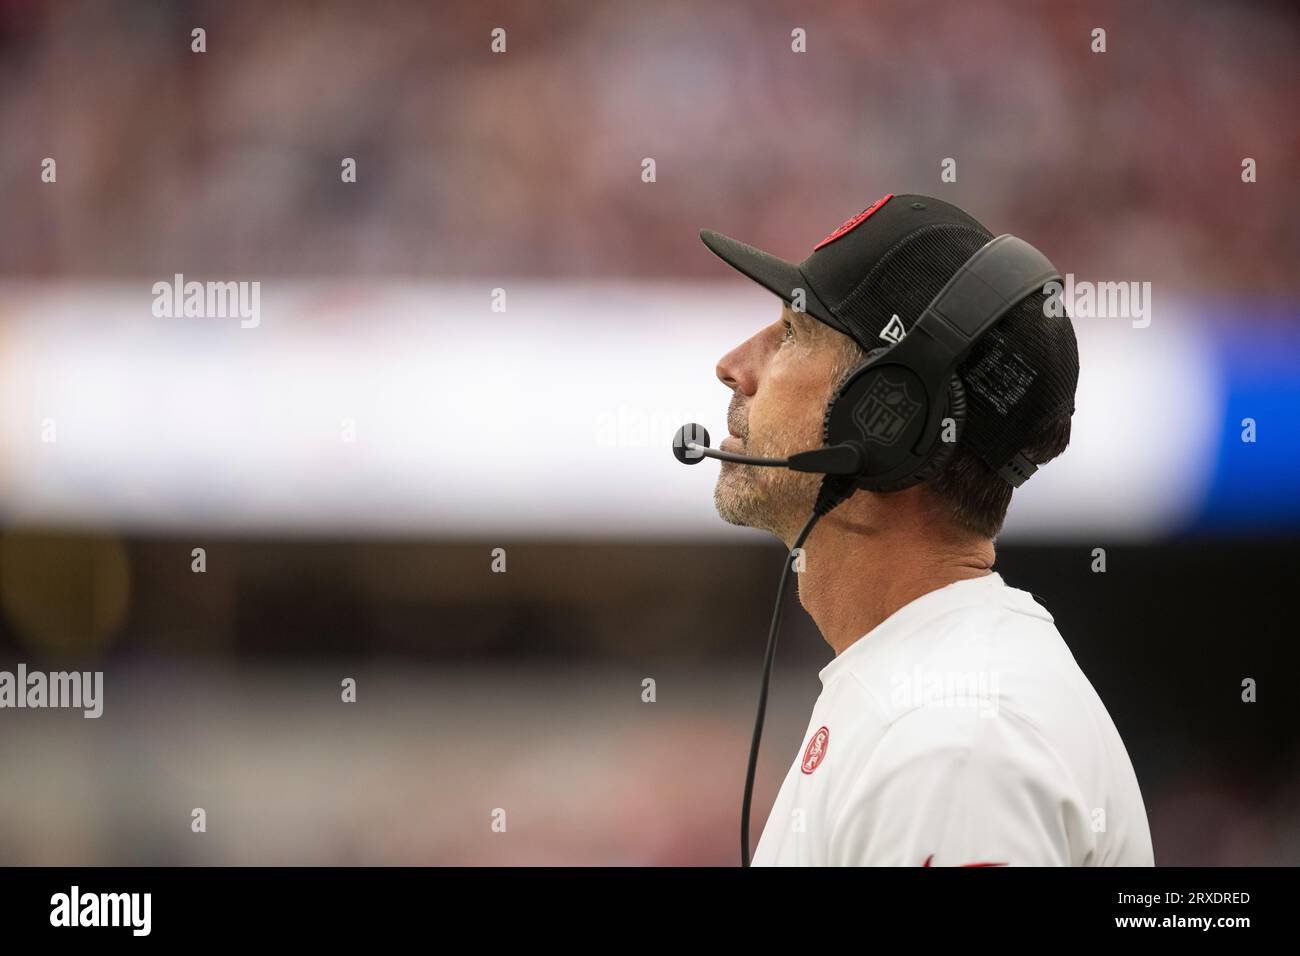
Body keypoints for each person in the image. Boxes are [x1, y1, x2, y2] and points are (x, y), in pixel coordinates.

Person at [699, 193, 1154, 866]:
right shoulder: (930, 698)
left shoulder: (952, 741)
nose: (734, 364)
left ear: (887, 418)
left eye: (793, 334)